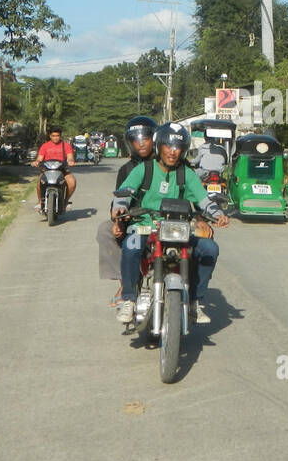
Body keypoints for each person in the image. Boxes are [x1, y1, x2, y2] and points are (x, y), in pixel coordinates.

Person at [114, 122, 229, 326]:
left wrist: (217, 213)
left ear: (184, 150)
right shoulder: (144, 169)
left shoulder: (187, 174)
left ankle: (195, 300)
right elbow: (125, 191)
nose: (173, 152)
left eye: (178, 147)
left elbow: (204, 201)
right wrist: (121, 206)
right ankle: (129, 299)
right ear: (159, 146)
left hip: (180, 227)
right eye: (168, 146)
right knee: (130, 247)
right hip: (145, 225)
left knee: (210, 249)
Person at [97, 116, 157, 306]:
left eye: (145, 138)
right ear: (129, 143)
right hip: (134, 220)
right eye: (135, 139)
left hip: (163, 220)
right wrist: (118, 221)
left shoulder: (168, 164)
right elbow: (118, 200)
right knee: (105, 230)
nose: (141, 143)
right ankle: (126, 283)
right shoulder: (126, 169)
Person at [33, 126, 77, 216]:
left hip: (62, 170)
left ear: (60, 136)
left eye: (57, 136)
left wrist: (71, 161)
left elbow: (70, 156)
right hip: (47, 170)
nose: (55, 138)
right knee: (39, 182)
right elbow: (40, 158)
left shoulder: (66, 145)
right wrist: (37, 162)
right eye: (53, 135)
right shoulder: (45, 146)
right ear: (50, 136)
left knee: (72, 182)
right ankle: (39, 202)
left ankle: (65, 202)